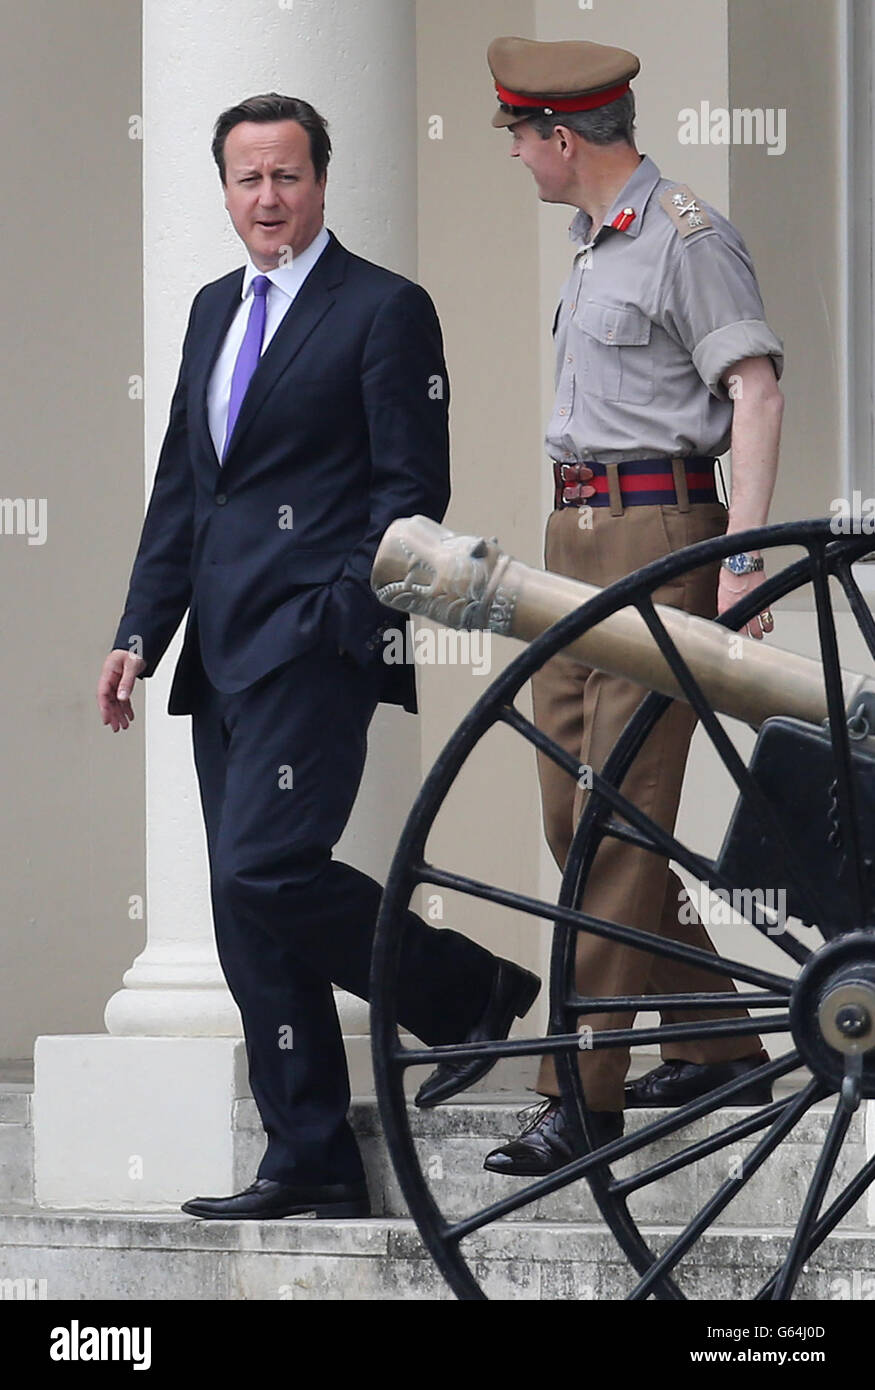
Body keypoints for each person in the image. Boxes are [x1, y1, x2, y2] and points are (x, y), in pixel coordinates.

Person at [96, 93, 539, 1219]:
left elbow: (411, 489)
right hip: (219, 653)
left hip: (319, 641)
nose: (267, 198)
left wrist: (345, 604)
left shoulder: (383, 309)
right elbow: (184, 492)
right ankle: (310, 1158)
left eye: (286, 176)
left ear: (321, 182)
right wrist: (138, 632)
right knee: (246, 913)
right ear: (226, 189)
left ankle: (466, 990)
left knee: (264, 868)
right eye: (247, 179)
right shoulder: (209, 312)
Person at [479, 38, 785, 1176]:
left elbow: (751, 391)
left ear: (561, 136)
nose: (514, 154)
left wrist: (742, 562)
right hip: (574, 536)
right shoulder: (594, 248)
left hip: (661, 539)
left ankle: (581, 1095)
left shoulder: (686, 237)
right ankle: (713, 1040)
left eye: (518, 135)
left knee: (612, 817)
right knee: (578, 817)